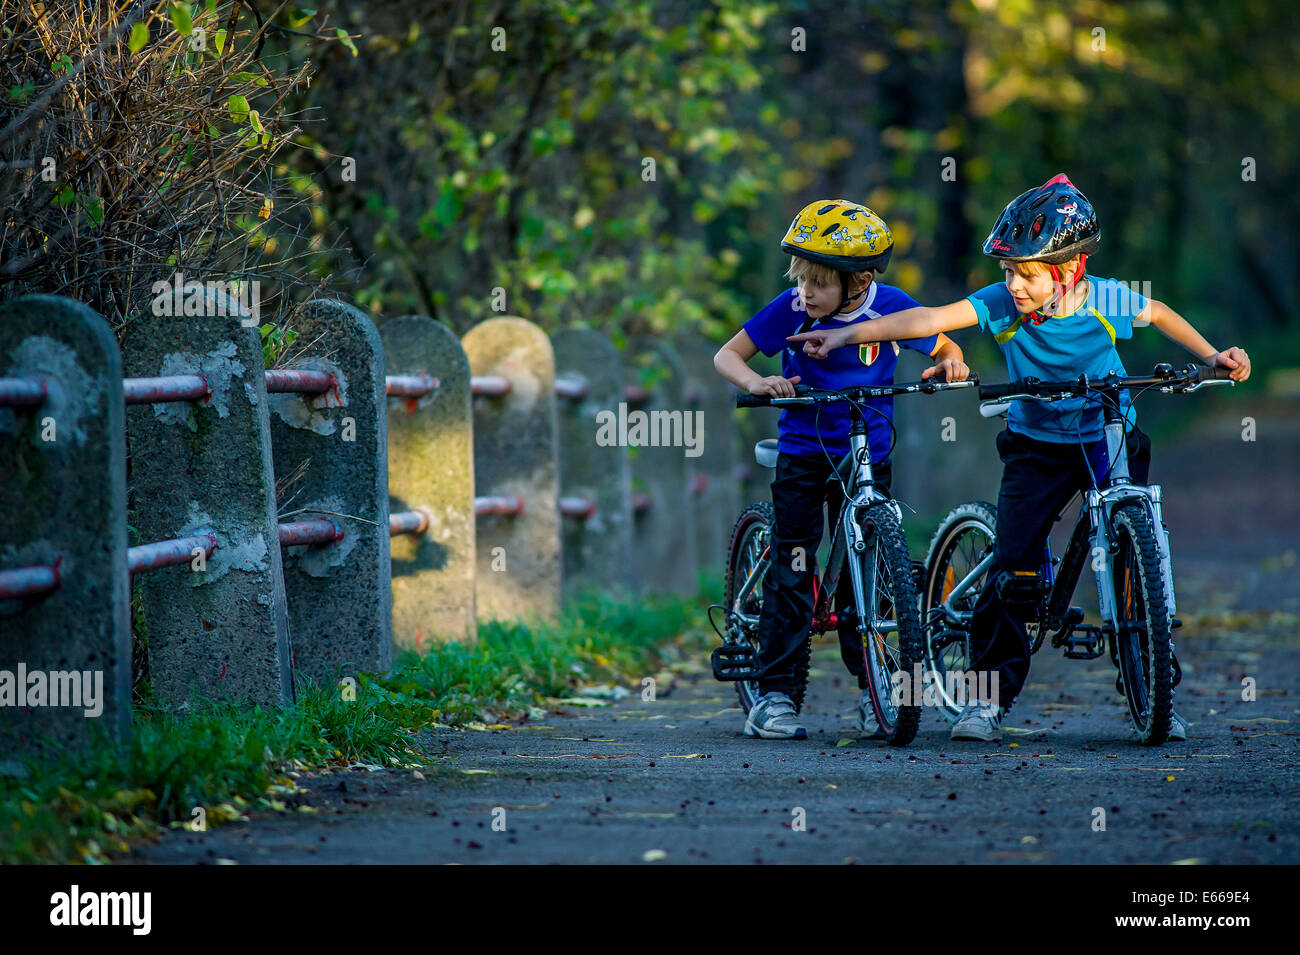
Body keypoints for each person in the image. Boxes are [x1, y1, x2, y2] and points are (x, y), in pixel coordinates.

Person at [788, 174, 1251, 742]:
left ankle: (1155, 689)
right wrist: (848, 334)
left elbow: (1157, 314)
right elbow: (928, 320)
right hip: (1036, 448)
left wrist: (1212, 355)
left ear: (1070, 270)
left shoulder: (1104, 298)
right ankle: (985, 700)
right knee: (1014, 569)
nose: (1015, 284)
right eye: (1008, 271)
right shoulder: (1001, 306)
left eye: (1026, 273)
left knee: (1141, 556)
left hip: (1109, 434)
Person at [713, 198, 969, 740]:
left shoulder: (891, 306)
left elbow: (943, 340)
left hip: (868, 456)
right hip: (804, 454)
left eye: (818, 283)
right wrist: (758, 383)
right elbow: (727, 356)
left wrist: (949, 361)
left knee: (872, 579)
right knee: (794, 569)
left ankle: (874, 689)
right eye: (801, 280)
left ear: (860, 282)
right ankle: (774, 694)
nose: (805, 293)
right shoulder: (790, 309)